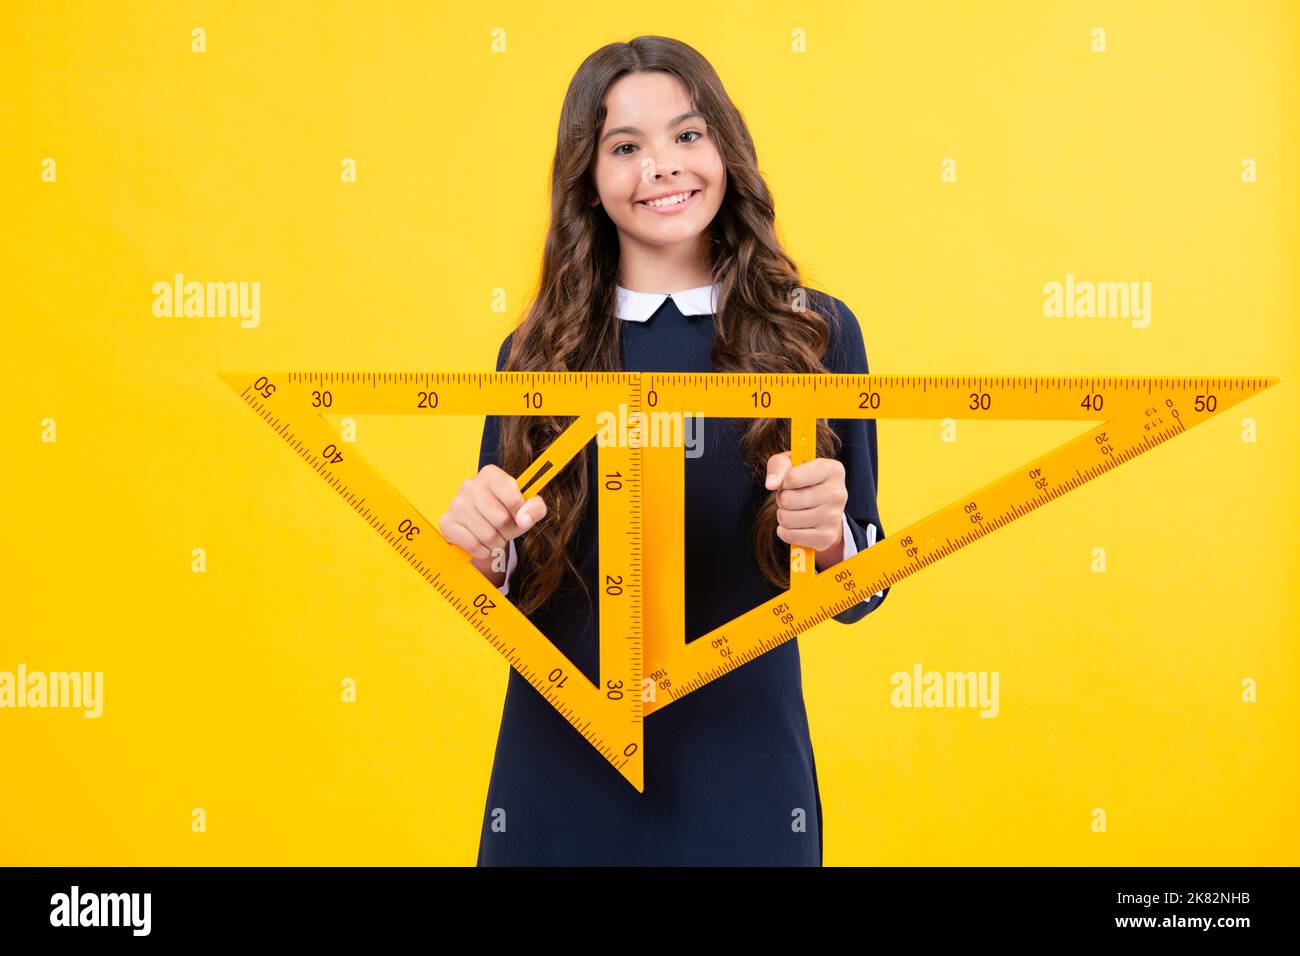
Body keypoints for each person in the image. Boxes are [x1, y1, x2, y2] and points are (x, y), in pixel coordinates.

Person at [436, 35, 890, 866]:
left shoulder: (813, 334)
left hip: (743, 774)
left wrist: (828, 539)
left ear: (727, 145)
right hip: (559, 768)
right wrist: (479, 548)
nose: (662, 169)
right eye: (624, 147)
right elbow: (501, 594)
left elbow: (865, 591)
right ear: (588, 177)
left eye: (688, 135)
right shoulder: (533, 352)